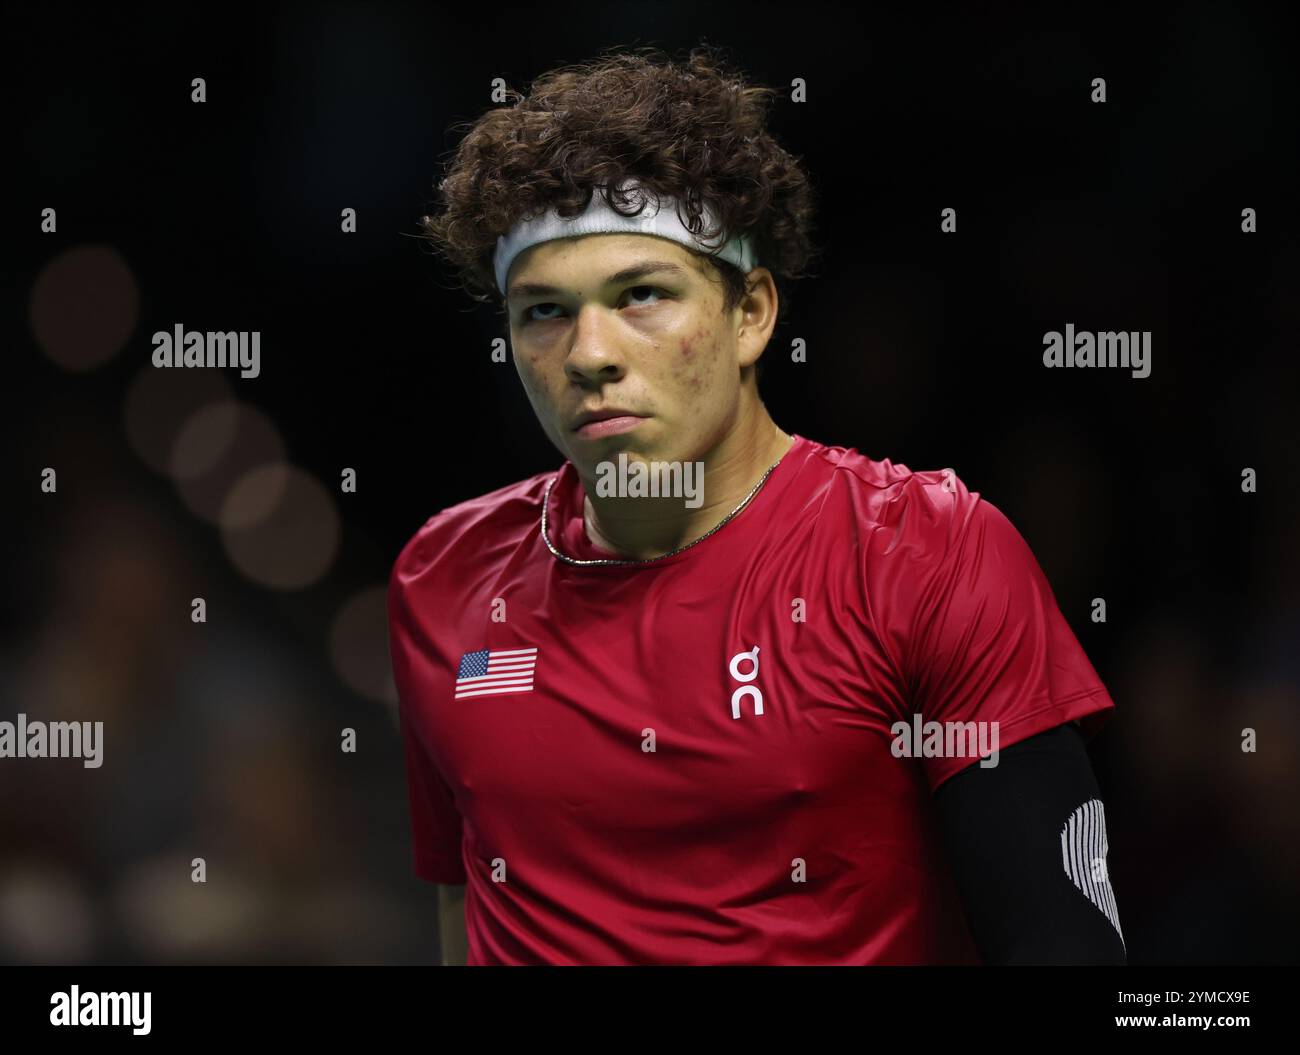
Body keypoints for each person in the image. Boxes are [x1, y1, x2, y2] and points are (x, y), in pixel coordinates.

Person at [389, 45, 1126, 965]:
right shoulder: (442, 579)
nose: (589, 353)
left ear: (752, 315)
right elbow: (466, 915)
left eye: (642, 295)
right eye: (543, 311)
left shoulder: (927, 554)